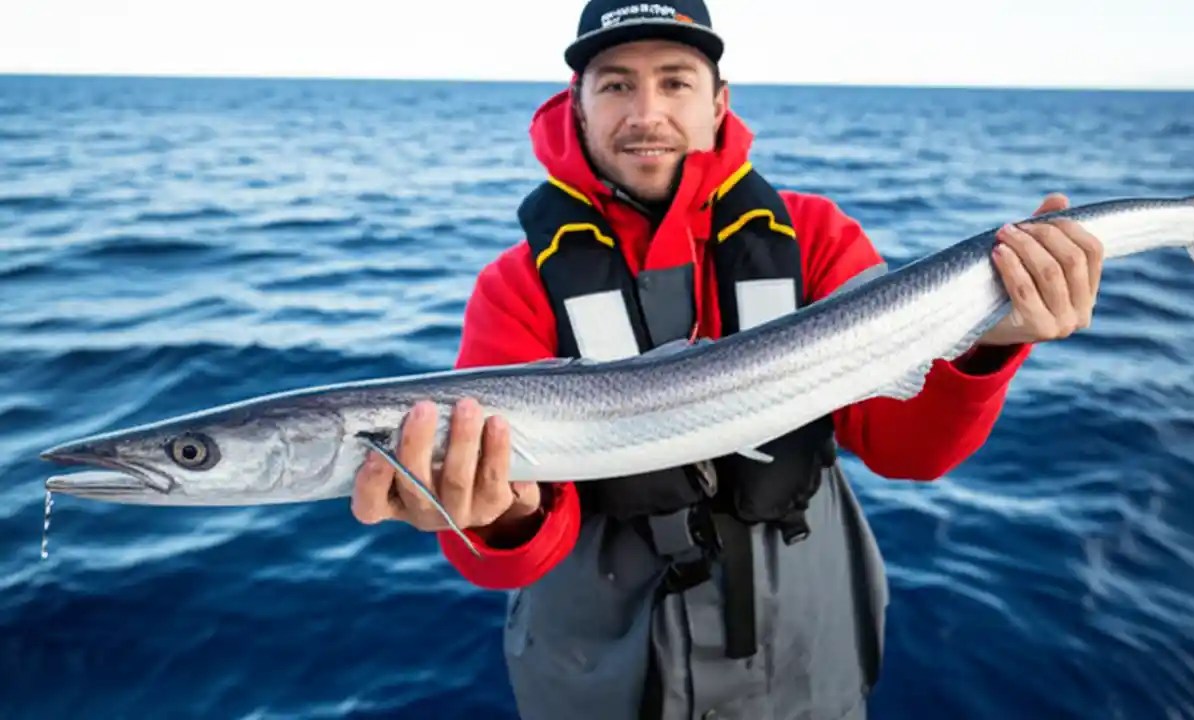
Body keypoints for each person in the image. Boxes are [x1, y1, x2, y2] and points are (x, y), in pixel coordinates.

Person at [350, 1, 1105, 717]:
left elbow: (910, 448)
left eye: (674, 81)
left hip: (807, 653)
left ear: (718, 101)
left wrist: (989, 345)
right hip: (603, 673)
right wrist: (503, 517)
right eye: (616, 84)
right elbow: (506, 560)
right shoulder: (517, 284)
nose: (646, 113)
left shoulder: (815, 237)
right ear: (576, 103)